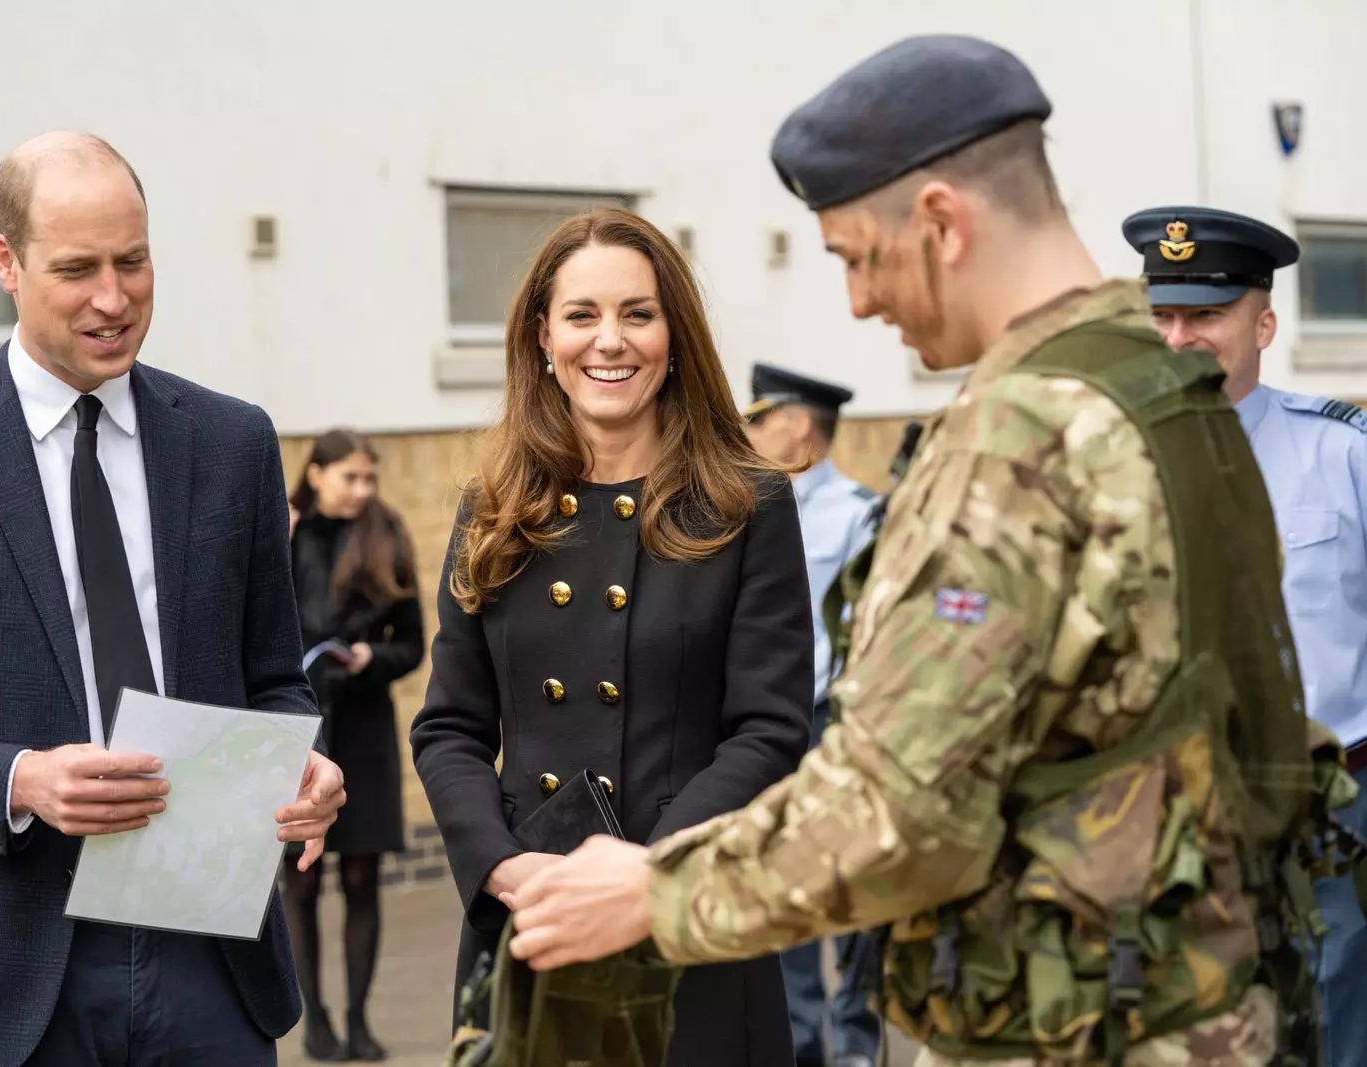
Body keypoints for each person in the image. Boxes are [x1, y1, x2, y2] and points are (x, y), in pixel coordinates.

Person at [505, 35, 1351, 1067]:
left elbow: (903, 808)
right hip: (1213, 1004)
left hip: (1075, 1025)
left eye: (858, 257)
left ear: (940, 222)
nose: (860, 301)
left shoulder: (1022, 432)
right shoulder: (1166, 388)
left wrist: (651, 891)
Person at [0, 131, 345, 1067]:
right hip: (5, 968)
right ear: (6, 264)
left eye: (132, 262)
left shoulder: (233, 444)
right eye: (78, 269)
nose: (114, 297)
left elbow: (274, 678)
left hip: (211, 956)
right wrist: (20, 779)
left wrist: (306, 765)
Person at [410, 206, 813, 1065]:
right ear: (542, 339)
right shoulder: (496, 508)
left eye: (638, 313)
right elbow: (449, 727)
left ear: (675, 335)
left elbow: (770, 729)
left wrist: (643, 875)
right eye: (583, 315)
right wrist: (504, 869)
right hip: (532, 919)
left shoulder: (747, 504)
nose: (611, 342)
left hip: (686, 921)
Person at [1123, 205, 1367, 1067]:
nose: (1182, 337)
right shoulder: (1110, 462)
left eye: (1207, 315)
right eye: (1165, 315)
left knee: (1332, 1029)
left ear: (1262, 323)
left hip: (1325, 816)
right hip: (1157, 822)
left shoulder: (1341, 455)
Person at [744, 364, 881, 1067]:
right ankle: (801, 1043)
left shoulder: (863, 513)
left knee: (854, 888)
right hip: (777, 725)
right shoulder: (748, 509)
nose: (754, 431)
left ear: (799, 424)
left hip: (839, 721)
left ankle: (856, 1043)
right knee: (787, 880)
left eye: (762, 419)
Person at [281, 428, 424, 1062]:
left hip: (363, 725)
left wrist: (373, 657)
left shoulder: (386, 532)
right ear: (316, 474)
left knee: (362, 876)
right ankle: (313, 1021)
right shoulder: (279, 532)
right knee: (302, 879)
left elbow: (413, 643)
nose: (363, 491)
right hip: (296, 726)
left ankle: (361, 1020)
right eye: (351, 478)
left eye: (370, 479)